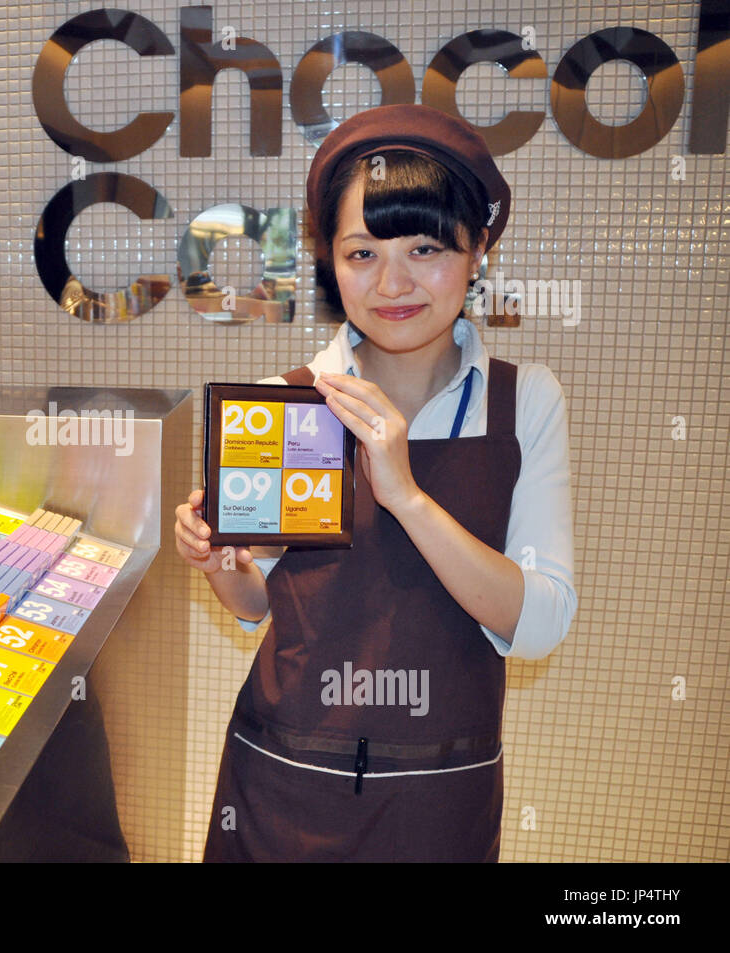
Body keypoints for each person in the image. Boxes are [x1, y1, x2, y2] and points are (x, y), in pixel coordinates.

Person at [176, 104, 577, 862]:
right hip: (281, 785)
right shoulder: (292, 398)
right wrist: (218, 559)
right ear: (330, 259)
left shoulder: (523, 400)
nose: (392, 282)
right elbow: (257, 601)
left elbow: (542, 621)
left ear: (478, 247)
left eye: (425, 247)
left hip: (439, 798)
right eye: (362, 254)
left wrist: (407, 496)